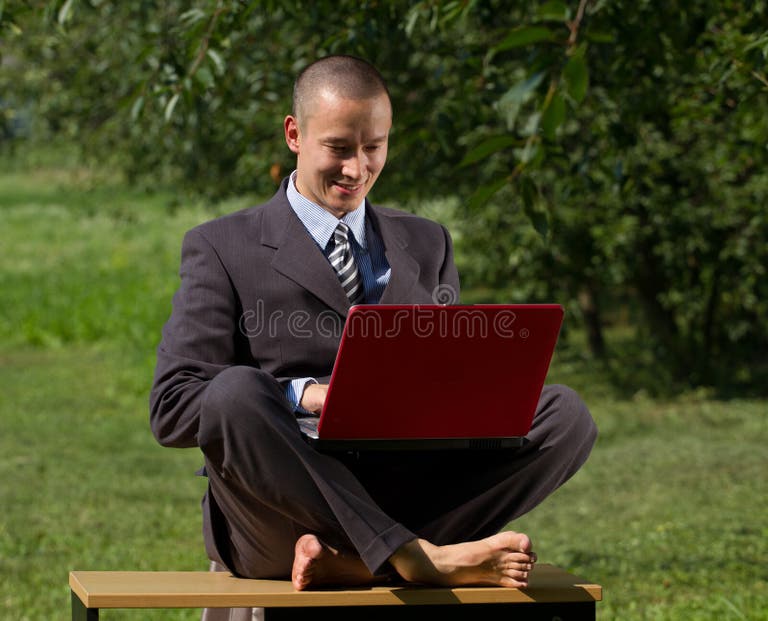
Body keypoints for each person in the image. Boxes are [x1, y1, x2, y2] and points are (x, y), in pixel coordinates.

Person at [150, 55, 597, 591]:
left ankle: (368, 559)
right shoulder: (221, 246)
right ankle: (414, 556)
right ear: (294, 134)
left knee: (565, 414)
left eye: (373, 147)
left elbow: (445, 380)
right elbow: (172, 407)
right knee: (232, 393)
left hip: (407, 488)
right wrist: (306, 395)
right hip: (279, 514)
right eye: (338, 148)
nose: (356, 168)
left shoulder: (428, 242)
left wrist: (475, 401)